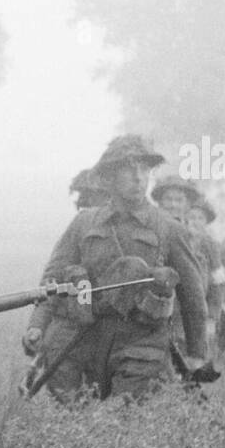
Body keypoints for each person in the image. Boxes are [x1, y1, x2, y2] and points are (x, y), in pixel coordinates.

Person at [23, 135, 208, 398]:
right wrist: (37, 326)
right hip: (85, 338)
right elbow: (52, 282)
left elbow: (193, 295)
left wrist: (197, 355)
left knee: (122, 417)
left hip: (142, 344)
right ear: (110, 176)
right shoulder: (84, 224)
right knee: (76, 416)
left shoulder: (169, 228)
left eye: (144, 169)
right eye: (128, 169)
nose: (138, 177)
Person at [21, 167, 104, 401]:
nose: (91, 204)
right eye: (87, 198)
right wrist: (37, 326)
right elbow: (52, 282)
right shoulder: (79, 227)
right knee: (67, 402)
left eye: (99, 196)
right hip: (68, 331)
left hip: (110, 334)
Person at [184, 191, 225, 358]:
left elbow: (217, 283)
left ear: (206, 222)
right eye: (192, 217)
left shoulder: (211, 246)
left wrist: (212, 318)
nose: (195, 222)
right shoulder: (178, 238)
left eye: (200, 218)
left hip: (201, 305)